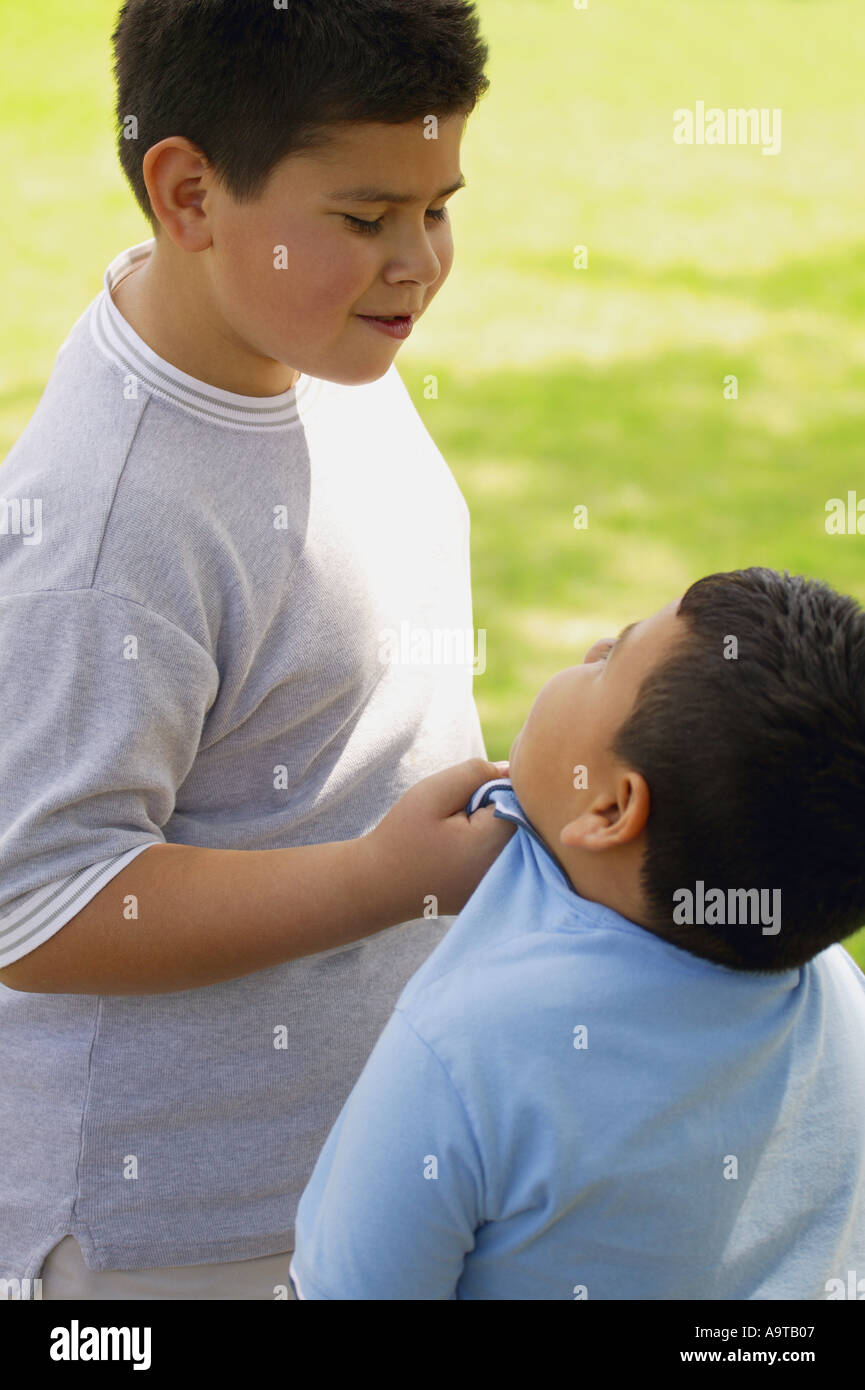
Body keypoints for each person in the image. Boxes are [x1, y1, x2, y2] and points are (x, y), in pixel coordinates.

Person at [0, 0, 515, 1301]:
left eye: (436, 204)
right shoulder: (113, 520)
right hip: (166, 1239)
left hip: (356, 1163)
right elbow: (38, 899)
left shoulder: (307, 339)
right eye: (362, 218)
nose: (417, 264)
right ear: (188, 193)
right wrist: (383, 879)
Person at [289, 568, 865, 1300]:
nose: (591, 648)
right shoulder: (835, 989)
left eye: (611, 658)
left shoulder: (469, 1052)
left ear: (609, 810)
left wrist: (381, 873)